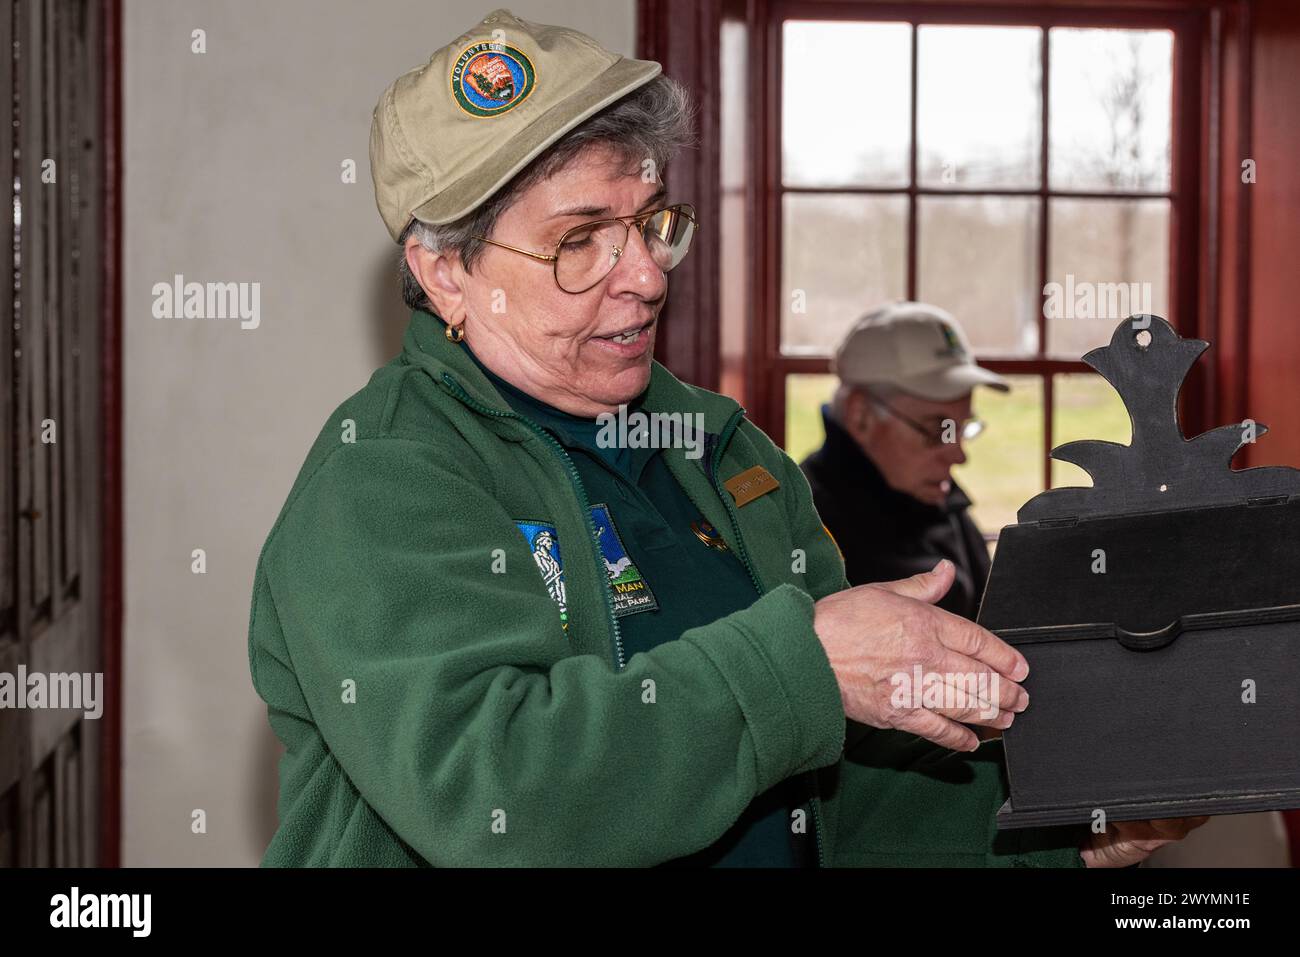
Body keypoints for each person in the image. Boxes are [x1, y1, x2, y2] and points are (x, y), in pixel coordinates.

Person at [246, 7, 1202, 867]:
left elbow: (847, 795)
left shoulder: (721, 453)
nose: (646, 276)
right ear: (445, 271)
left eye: (651, 224)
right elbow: (498, 792)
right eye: (580, 240)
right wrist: (806, 664)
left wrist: (1064, 831)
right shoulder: (384, 479)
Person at [803, 302, 1004, 620]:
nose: (959, 454)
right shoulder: (807, 530)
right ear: (861, 416)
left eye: (962, 428)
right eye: (937, 429)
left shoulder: (937, 502)